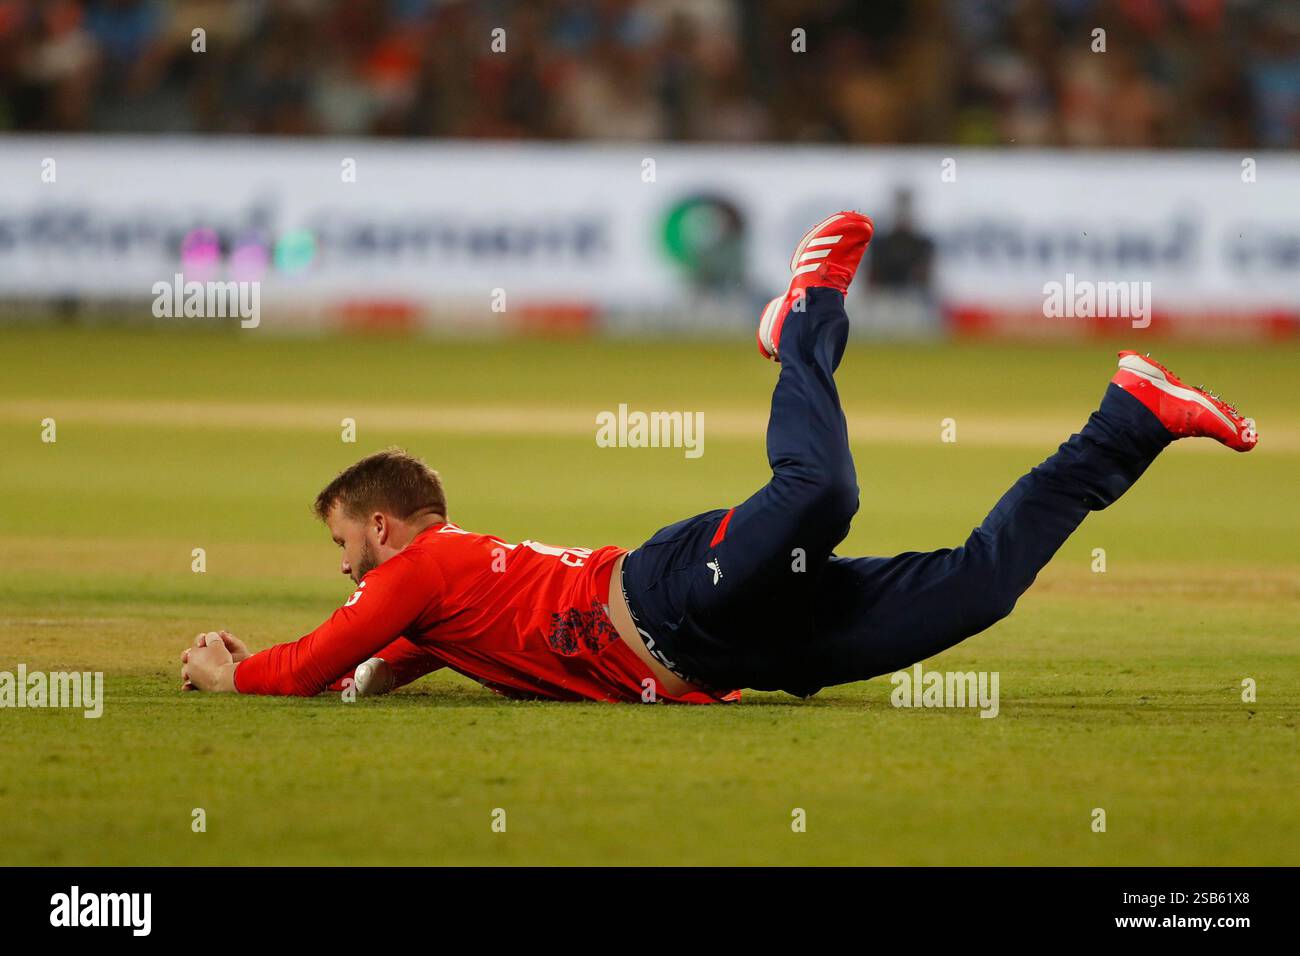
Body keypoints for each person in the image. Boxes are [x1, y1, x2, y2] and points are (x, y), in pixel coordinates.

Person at [181, 211, 1258, 703]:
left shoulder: (415, 571)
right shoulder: (443, 596)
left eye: (344, 545)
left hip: (667, 599)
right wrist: (374, 676)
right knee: (976, 590)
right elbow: (395, 654)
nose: (346, 570)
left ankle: (801, 317)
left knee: (822, 492)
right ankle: (1129, 418)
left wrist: (238, 671)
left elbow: (323, 654)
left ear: (382, 525)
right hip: (737, 648)